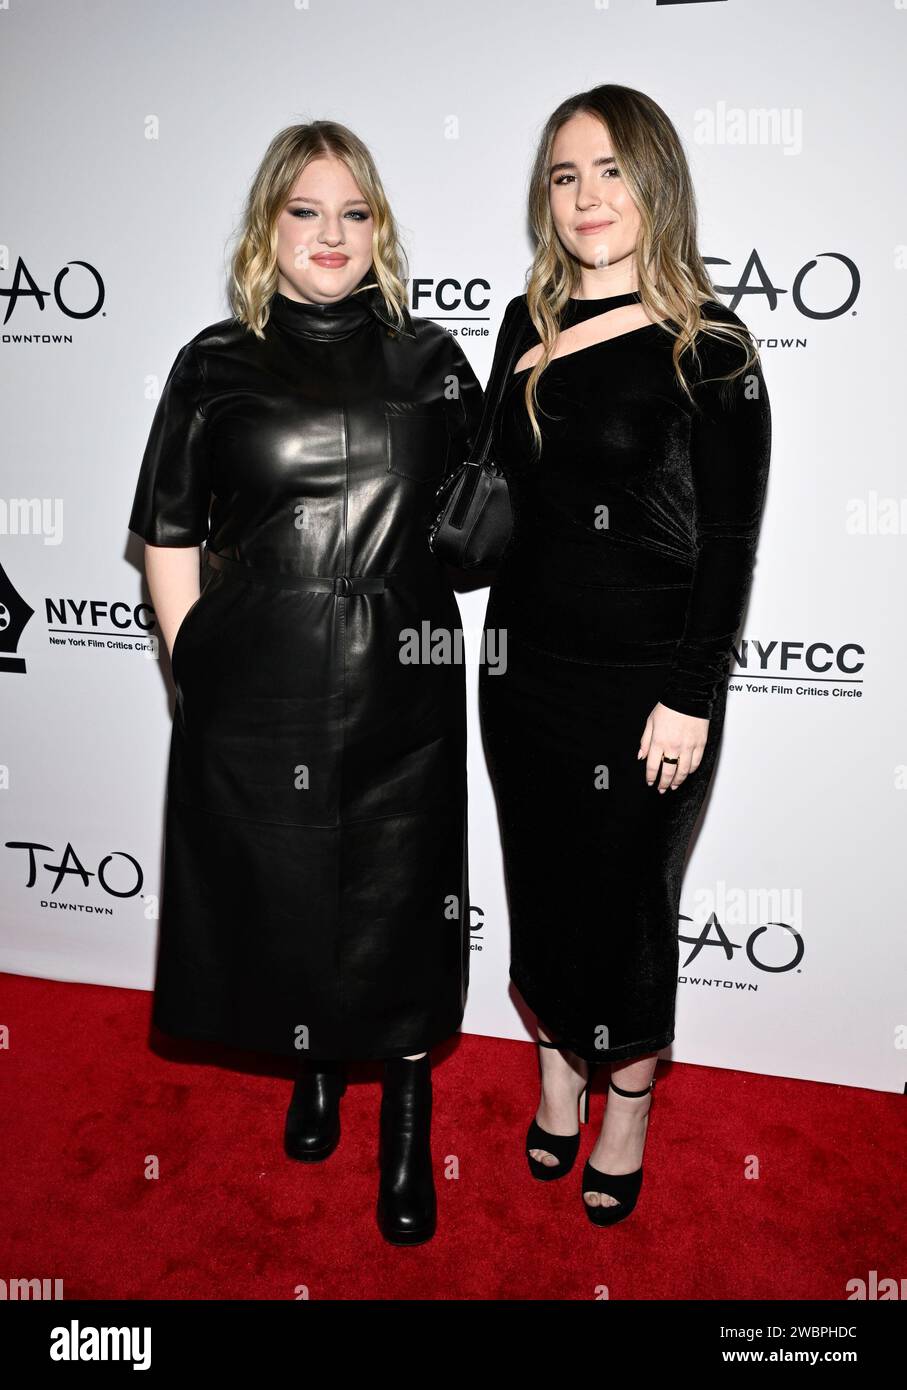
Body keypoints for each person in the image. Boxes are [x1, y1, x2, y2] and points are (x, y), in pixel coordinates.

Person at [128, 121, 483, 1244]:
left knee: (399, 915)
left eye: (353, 212)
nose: (329, 234)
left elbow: (479, 534)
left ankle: (407, 1121)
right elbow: (169, 534)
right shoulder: (212, 361)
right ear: (268, 225)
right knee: (285, 903)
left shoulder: (432, 360)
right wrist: (193, 667)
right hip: (260, 685)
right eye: (305, 210)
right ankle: (315, 1070)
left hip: (402, 689)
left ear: (377, 229)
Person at [478, 85, 772, 1226]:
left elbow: (732, 543)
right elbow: (488, 494)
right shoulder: (520, 325)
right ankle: (558, 1074)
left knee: (632, 902)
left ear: (655, 186)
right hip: (522, 672)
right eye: (565, 175)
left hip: (647, 686)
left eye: (609, 171)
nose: (587, 197)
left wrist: (690, 696)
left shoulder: (713, 343)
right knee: (542, 884)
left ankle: (631, 1102)